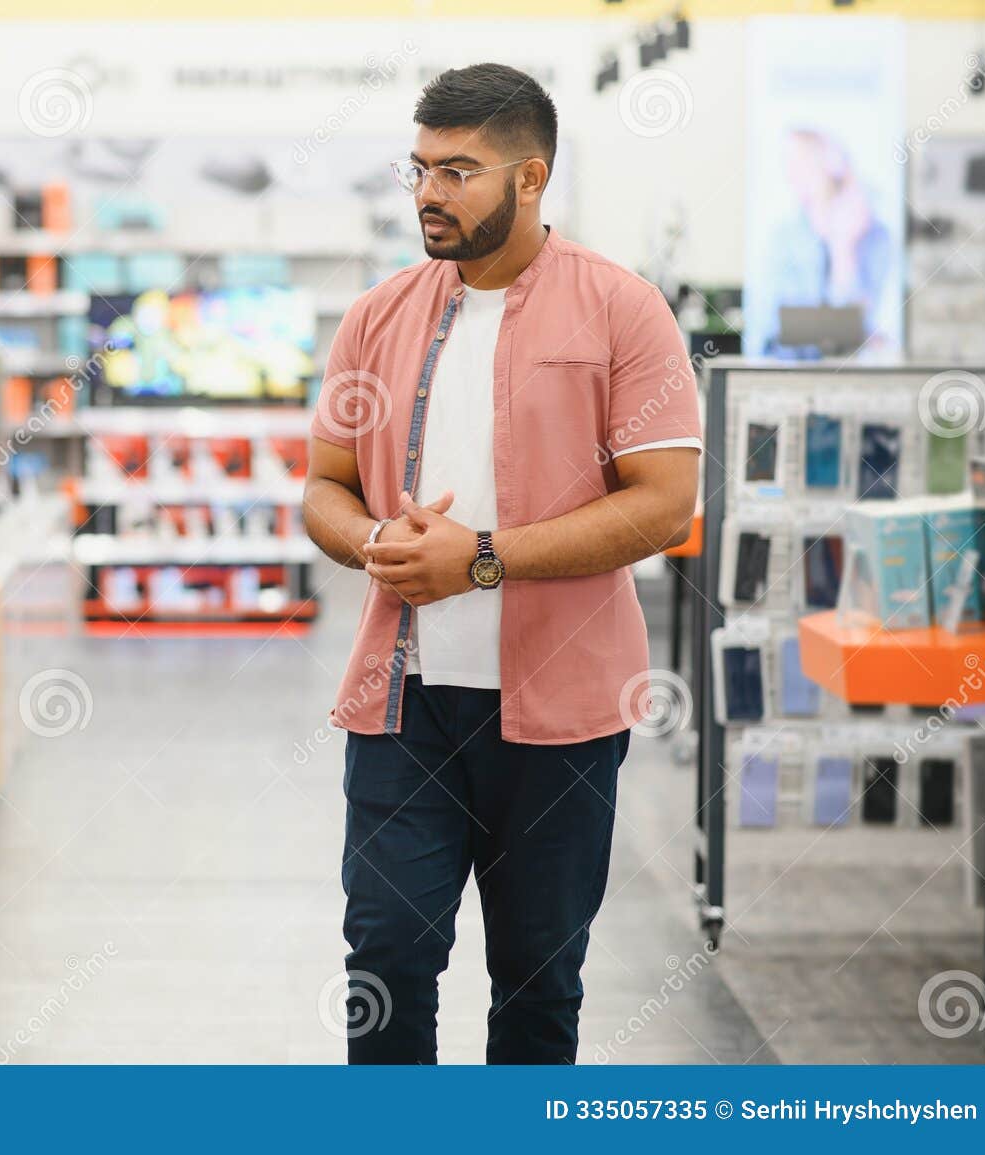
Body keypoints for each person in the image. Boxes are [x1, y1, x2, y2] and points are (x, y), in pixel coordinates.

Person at [303, 63, 701, 1065]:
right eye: (421, 168)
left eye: (460, 171)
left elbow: (663, 504)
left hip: (560, 711)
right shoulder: (377, 314)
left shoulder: (624, 311)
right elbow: (324, 486)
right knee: (385, 961)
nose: (430, 192)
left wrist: (477, 561)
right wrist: (371, 543)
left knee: (537, 981)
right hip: (407, 705)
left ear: (531, 179)